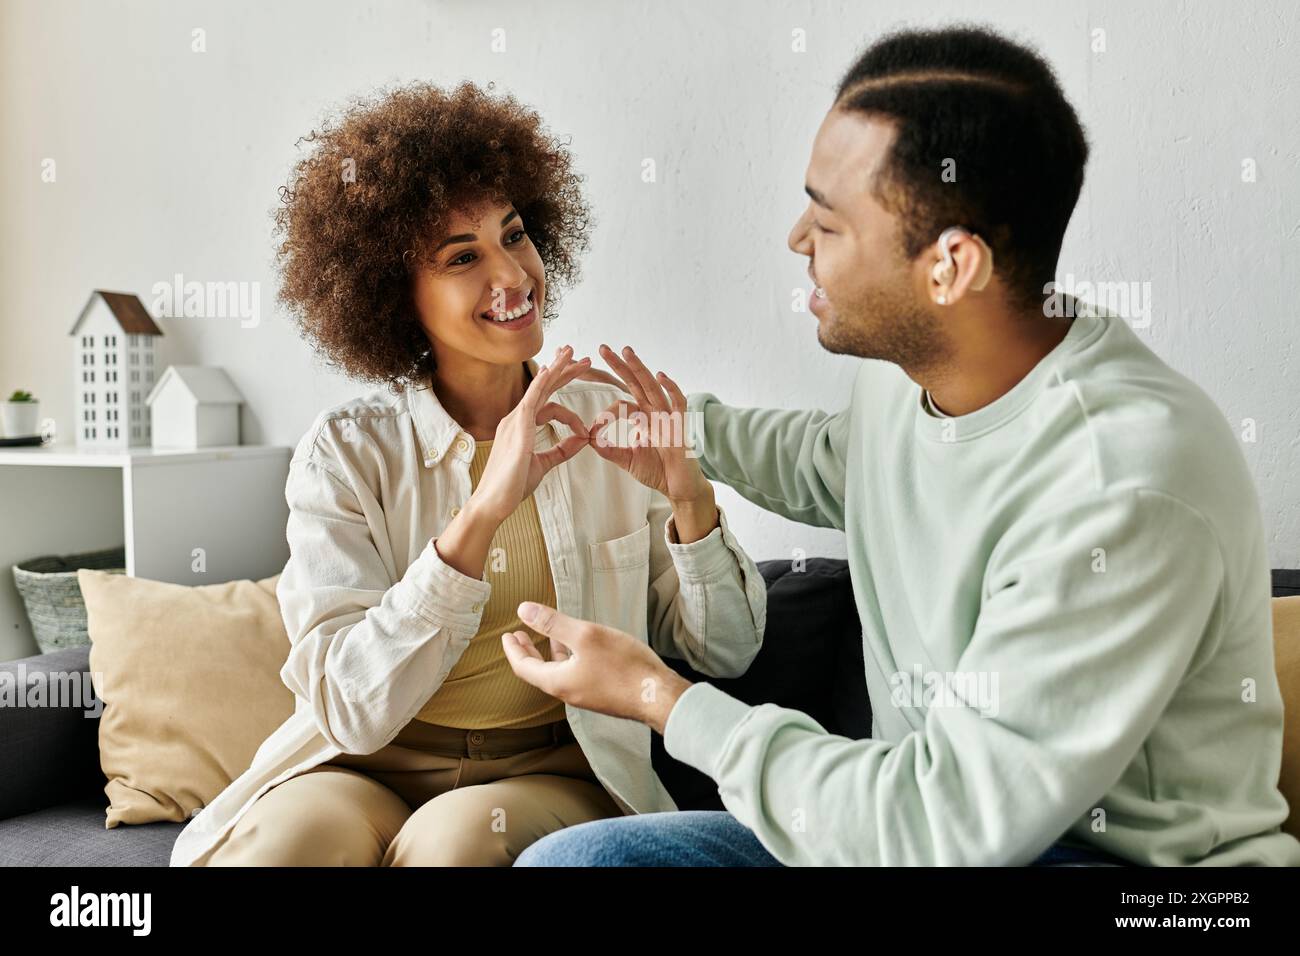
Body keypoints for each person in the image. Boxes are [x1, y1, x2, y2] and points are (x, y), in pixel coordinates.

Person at [506, 25, 1300, 866]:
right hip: (907, 819)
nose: (796, 241)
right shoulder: (915, 375)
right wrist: (675, 429)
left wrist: (657, 697)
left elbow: (947, 827)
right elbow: (835, 462)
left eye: (829, 221)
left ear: (950, 267)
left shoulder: (1124, 483)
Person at [168, 81, 766, 867]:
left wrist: (690, 498)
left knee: (450, 847)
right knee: (283, 848)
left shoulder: (609, 422)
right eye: (461, 258)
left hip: (547, 765)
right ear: (394, 297)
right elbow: (348, 709)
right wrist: (482, 513)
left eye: (514, 236)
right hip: (365, 763)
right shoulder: (348, 453)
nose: (511, 275)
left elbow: (726, 652)